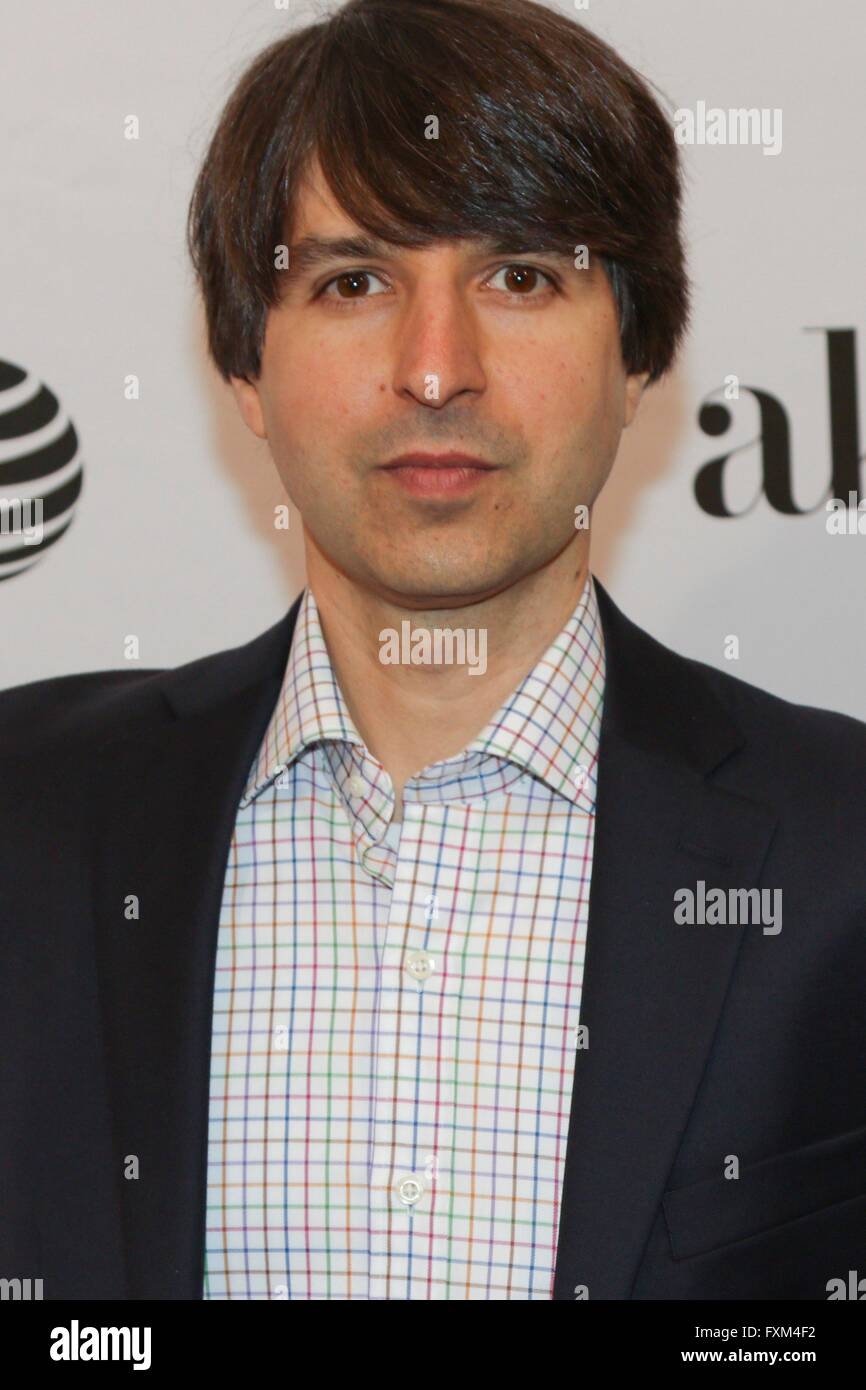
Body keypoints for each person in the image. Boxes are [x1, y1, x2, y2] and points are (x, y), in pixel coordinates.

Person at [2, 0, 865, 1301]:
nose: (434, 368)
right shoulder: (29, 820)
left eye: (520, 276)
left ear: (638, 352)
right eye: (353, 283)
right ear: (245, 366)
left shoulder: (840, 847)